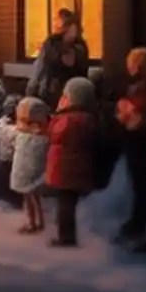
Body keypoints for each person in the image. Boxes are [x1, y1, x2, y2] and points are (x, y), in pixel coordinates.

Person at [46, 77, 97, 247]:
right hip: (78, 168)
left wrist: (57, 113)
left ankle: (66, 237)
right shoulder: (89, 118)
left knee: (65, 204)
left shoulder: (67, 119)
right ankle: (68, 233)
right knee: (69, 203)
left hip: (64, 170)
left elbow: (53, 134)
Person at [116, 47, 146, 246]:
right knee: (141, 187)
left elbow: (140, 116)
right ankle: (138, 224)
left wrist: (130, 115)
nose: (128, 66)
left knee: (142, 187)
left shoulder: (142, 89)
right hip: (138, 144)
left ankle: (139, 227)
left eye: (132, 62)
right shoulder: (137, 87)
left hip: (141, 145)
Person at [9, 97, 50, 234]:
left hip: (26, 170)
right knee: (34, 196)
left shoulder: (28, 132)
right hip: (30, 169)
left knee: (29, 197)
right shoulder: (41, 132)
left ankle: (33, 223)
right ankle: (39, 221)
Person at [38, 17, 90, 111]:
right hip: (53, 92)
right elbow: (40, 69)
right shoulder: (52, 45)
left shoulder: (80, 47)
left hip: (73, 93)